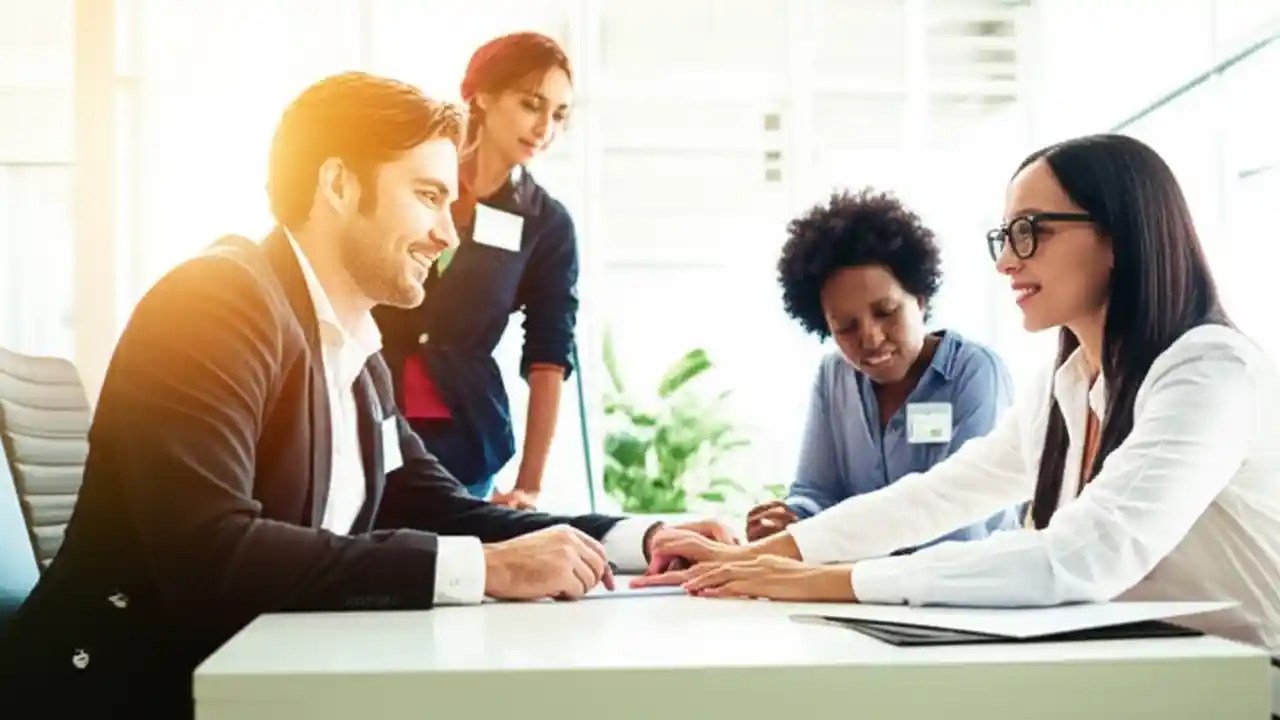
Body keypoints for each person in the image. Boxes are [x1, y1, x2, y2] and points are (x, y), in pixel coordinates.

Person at [0, 72, 731, 718]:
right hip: (127, 691)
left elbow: (435, 504)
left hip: (251, 676)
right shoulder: (219, 301)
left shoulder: (354, 347)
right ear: (339, 185)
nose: (446, 233)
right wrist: (487, 568)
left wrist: (637, 538)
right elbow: (209, 552)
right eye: (426, 196)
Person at [636, 134, 1280, 656]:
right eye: (1005, 238)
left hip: (1246, 687)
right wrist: (751, 558)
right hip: (1141, 673)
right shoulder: (1069, 383)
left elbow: (1082, 556)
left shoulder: (1208, 371)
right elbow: (935, 496)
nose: (1006, 262)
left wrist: (819, 581)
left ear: (1116, 235)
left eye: (1030, 232)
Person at [374, 32, 580, 510]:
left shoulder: (546, 224)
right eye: (532, 104)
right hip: (370, 420)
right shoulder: (406, 176)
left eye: (560, 115)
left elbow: (550, 356)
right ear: (482, 94)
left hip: (464, 449)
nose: (544, 127)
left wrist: (529, 486)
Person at [744, 188, 1019, 545]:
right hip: (858, 587)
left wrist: (823, 539)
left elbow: (959, 517)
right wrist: (792, 518)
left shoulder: (974, 372)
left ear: (919, 300)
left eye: (886, 312)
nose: (870, 338)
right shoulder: (833, 377)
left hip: (964, 587)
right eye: (845, 326)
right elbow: (817, 491)